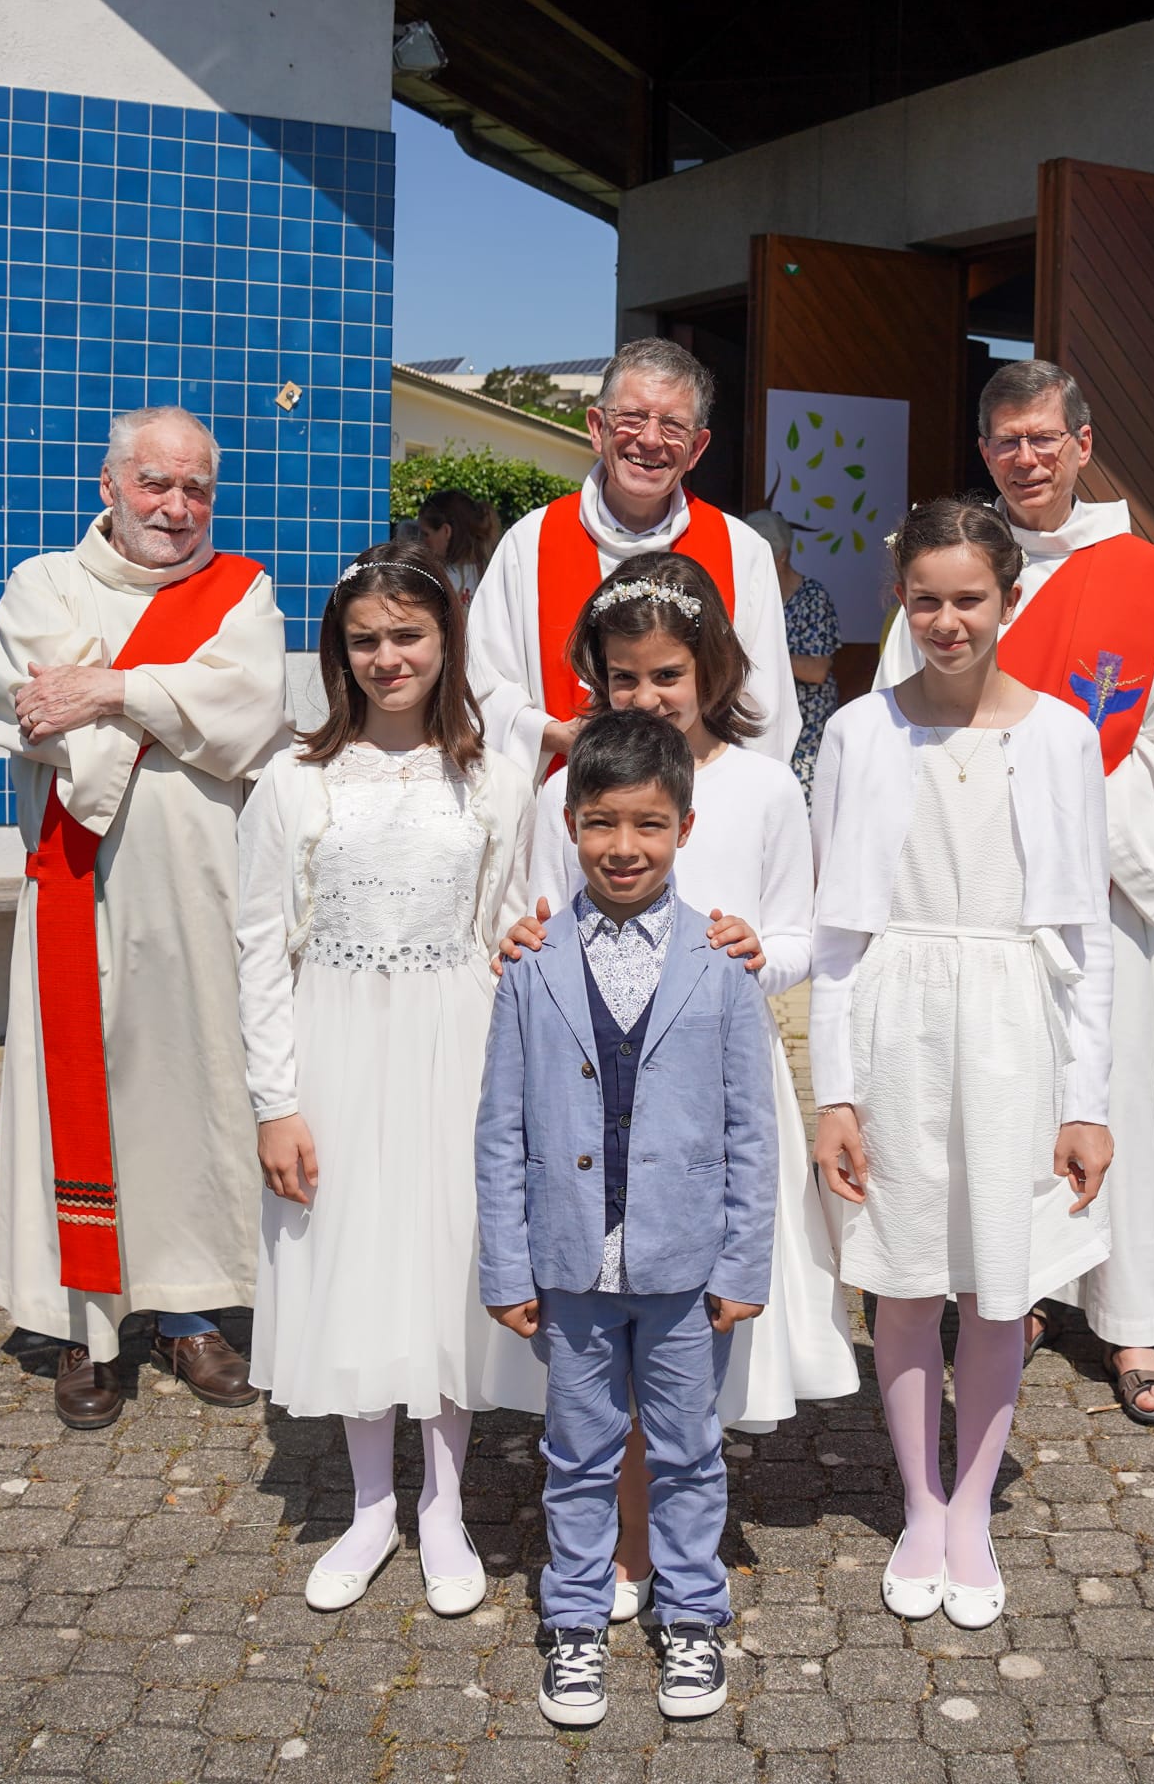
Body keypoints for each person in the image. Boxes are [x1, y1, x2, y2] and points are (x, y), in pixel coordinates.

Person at [496, 550, 858, 1623]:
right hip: (592, 1109)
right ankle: (612, 1518)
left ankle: (667, 1519)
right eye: (623, 679)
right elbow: (524, 918)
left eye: (667, 676)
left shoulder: (754, 784)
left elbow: (805, 928)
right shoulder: (571, 789)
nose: (646, 697)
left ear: (710, 667)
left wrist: (761, 948)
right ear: (594, 679)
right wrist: (517, 933)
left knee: (691, 1317)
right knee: (605, 1318)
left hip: (713, 1100)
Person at [877, 360, 1154, 1423]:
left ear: (1080, 442)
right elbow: (901, 722)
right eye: (1005, 441)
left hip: (1100, 896)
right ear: (984, 453)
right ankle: (1008, 1291)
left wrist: (1064, 825)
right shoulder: (951, 564)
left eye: (1043, 438)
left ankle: (1127, 1319)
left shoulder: (1143, 578)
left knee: (1111, 1090)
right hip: (979, 899)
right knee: (996, 1087)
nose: (1025, 457)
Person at [814, 496, 1114, 1627]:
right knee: (899, 1275)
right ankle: (920, 1497)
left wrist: (1084, 1100)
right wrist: (833, 1089)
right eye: (926, 598)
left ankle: (974, 1504)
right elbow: (839, 934)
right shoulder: (856, 732)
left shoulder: (1062, 738)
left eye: (969, 598)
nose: (948, 619)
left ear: (1010, 598)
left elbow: (1083, 940)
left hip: (1011, 1027)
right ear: (902, 597)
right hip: (896, 1022)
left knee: (997, 1285)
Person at [237, 543, 533, 1617]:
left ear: (446, 639)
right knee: (352, 1255)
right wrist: (276, 1099)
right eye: (364, 638)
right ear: (337, 652)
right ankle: (371, 1502)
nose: (386, 655)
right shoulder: (296, 777)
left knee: (447, 1254)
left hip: (457, 1043)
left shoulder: (494, 777)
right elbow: (261, 944)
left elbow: (511, 924)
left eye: (406, 633)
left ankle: (447, 1498)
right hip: (337, 1045)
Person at [0, 405, 292, 1428]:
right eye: (156, 482)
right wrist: (167, 704)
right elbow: (38, 711)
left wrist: (110, 688)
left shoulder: (241, 590)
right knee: (86, 1091)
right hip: (80, 877)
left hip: (203, 890)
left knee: (193, 1085)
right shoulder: (43, 584)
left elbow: (247, 717)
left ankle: (191, 1307)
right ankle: (86, 1325)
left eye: (196, 486)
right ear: (108, 484)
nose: (177, 504)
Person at [476, 710, 777, 1725]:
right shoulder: (531, 963)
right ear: (569, 822)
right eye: (601, 822)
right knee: (578, 1449)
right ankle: (573, 1618)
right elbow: (500, 1125)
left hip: (685, 1260)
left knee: (689, 1448)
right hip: (570, 1260)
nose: (623, 846)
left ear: (684, 828)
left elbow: (751, 1127)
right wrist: (505, 1265)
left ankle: (692, 1611)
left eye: (648, 824)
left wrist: (745, 1261)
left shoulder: (723, 962)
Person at [467, 337, 800, 780]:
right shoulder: (530, 543)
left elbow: (766, 710)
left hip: (701, 808)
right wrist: (550, 733)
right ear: (597, 426)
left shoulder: (742, 552)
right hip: (568, 808)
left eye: (673, 426)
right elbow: (480, 686)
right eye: (632, 417)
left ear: (697, 448)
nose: (649, 440)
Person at [746, 509, 840, 805]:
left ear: (781, 556)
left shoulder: (813, 597)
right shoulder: (750, 598)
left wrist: (761, 652)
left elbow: (817, 669)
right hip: (758, 721)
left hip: (808, 730)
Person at [417, 489, 501, 607]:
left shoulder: (435, 582)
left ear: (446, 531)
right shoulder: (495, 574)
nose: (421, 541)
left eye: (426, 534)